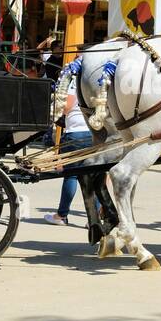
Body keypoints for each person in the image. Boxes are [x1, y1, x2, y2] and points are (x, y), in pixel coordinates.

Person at [46, 89, 93, 226]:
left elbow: (66, 107)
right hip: (93, 132)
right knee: (92, 177)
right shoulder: (97, 80)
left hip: (76, 132)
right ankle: (93, 219)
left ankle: (61, 215)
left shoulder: (74, 80)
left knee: (71, 176)